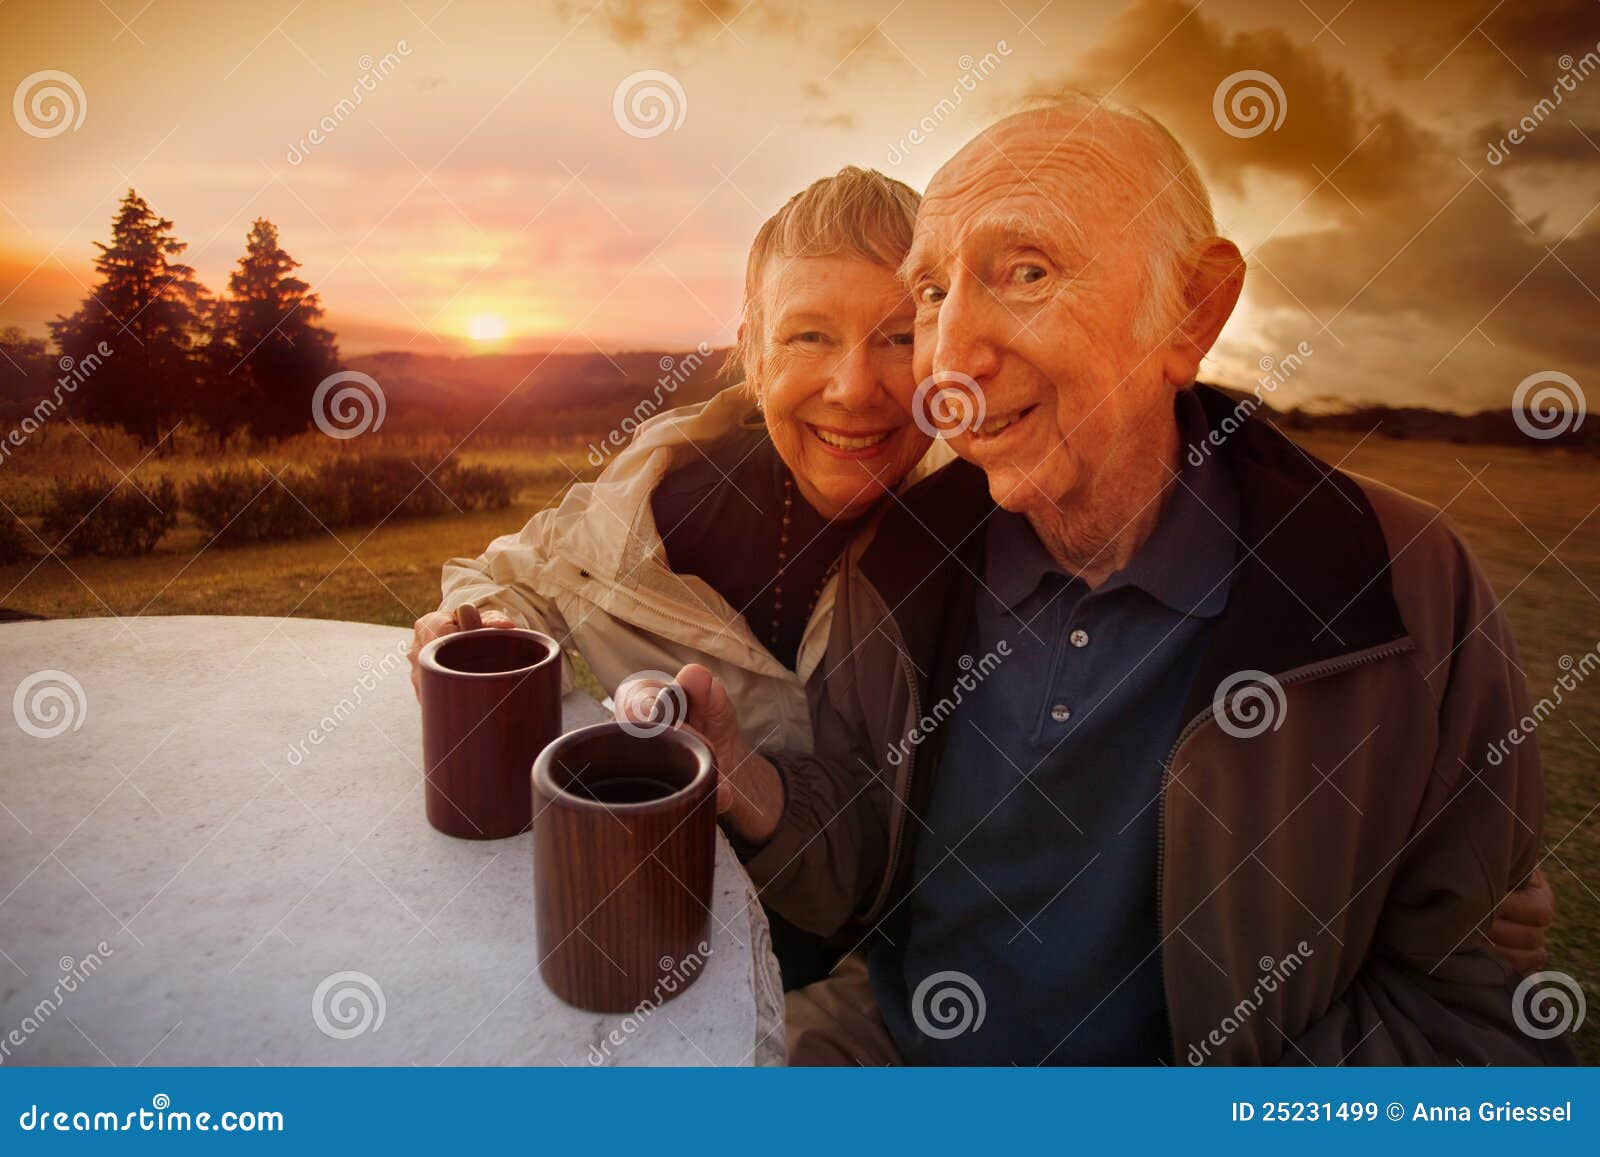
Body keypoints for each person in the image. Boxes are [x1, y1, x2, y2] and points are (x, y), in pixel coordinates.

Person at [646, 95, 1568, 1065]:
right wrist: (750, 784)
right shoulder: (903, 559)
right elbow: (864, 859)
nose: (948, 359)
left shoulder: (1395, 586)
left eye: (1028, 272)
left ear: (1192, 310)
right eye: (932, 293)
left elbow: (1466, 1005)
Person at [410, 166, 944, 986]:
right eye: (810, 336)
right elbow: (517, 572)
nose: (853, 387)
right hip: (654, 943)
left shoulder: (984, 541)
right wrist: (482, 627)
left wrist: (754, 785)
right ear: (753, 354)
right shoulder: (662, 508)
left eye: (899, 338)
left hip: (885, 998)